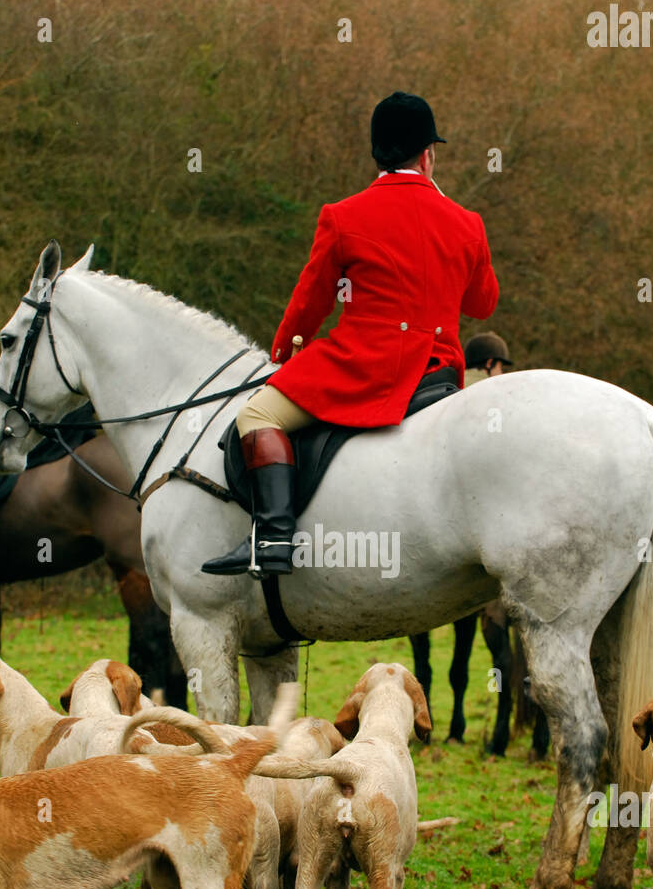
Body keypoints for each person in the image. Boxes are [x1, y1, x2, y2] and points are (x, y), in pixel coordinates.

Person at [202, 91, 500, 579]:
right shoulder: (465, 221)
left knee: (256, 413)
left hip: (360, 364)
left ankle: (273, 539)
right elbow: (482, 303)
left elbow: (309, 303)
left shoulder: (343, 216)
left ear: (377, 153)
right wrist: (458, 225)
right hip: (435, 370)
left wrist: (282, 354)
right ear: (428, 155)